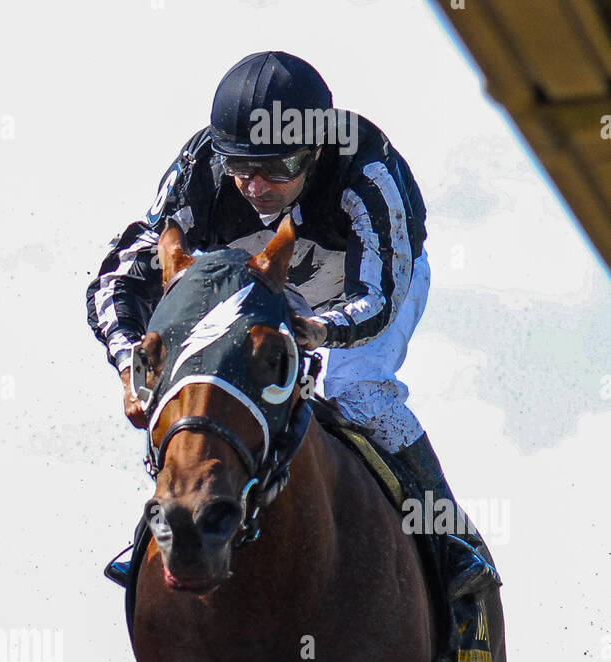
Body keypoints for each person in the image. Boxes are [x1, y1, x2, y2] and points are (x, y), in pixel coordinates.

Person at [88, 50, 499, 599]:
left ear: (317, 150)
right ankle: (164, 522)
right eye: (240, 168)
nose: (256, 187)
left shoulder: (367, 173)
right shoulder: (199, 174)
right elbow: (117, 279)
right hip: (254, 284)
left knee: (355, 389)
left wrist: (316, 331)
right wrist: (130, 362)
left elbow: (377, 298)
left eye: (278, 169)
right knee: (199, 387)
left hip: (367, 284)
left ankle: (446, 536)